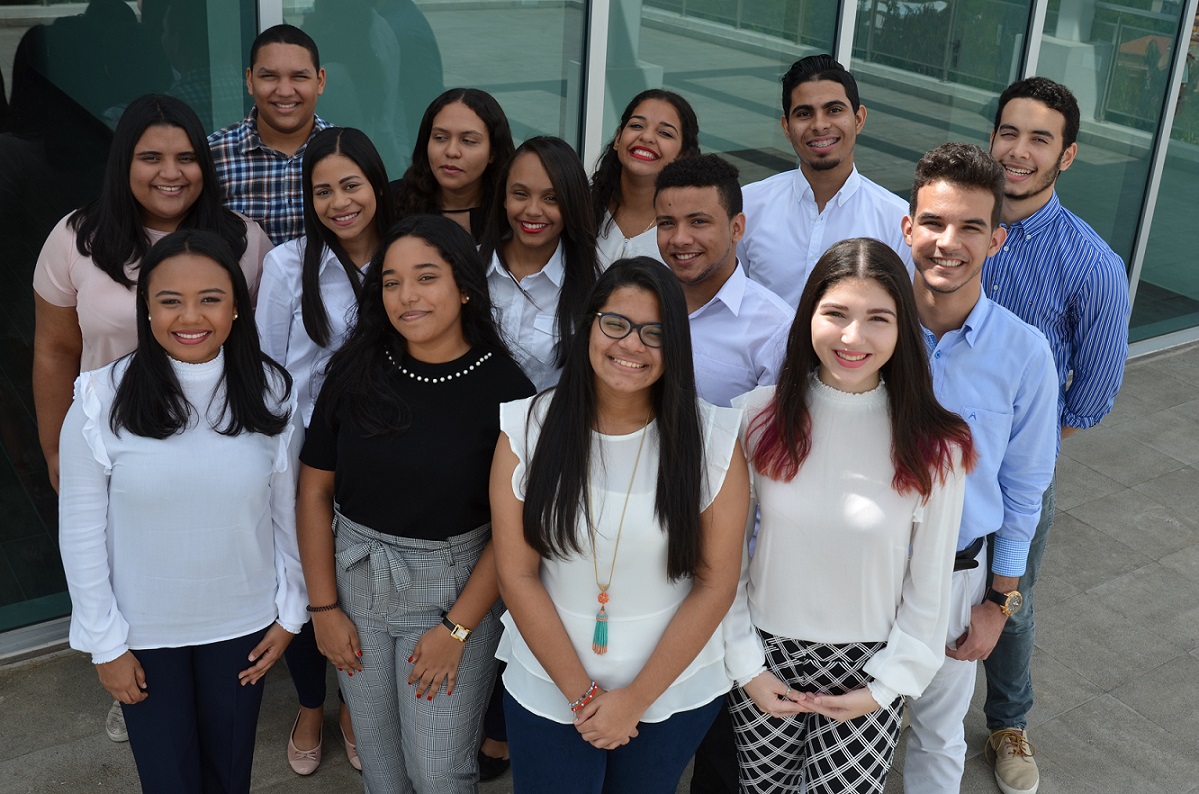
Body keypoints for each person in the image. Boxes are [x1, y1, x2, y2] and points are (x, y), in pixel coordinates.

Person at [57, 229, 305, 792]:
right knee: (170, 782)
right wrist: (106, 643)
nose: (190, 316)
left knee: (230, 776)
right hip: (143, 635)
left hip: (243, 629)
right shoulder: (99, 399)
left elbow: (286, 514)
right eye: (170, 300)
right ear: (145, 308)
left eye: (210, 298)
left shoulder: (271, 392)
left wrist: (291, 613)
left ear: (237, 307)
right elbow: (79, 531)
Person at [491, 257, 751, 793]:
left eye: (654, 333)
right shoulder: (526, 429)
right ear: (589, 324)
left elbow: (716, 582)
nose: (631, 345)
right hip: (549, 679)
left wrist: (632, 701)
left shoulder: (714, 441)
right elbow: (516, 575)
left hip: (670, 689)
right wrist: (585, 699)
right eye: (616, 324)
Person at [723, 238, 972, 793]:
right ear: (808, 315)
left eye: (878, 318)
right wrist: (746, 667)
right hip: (766, 654)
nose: (853, 337)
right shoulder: (754, 419)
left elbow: (929, 582)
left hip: (869, 666)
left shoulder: (939, 442)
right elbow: (726, 560)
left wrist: (886, 688)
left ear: (902, 328)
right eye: (835, 313)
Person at [295, 214, 535, 791]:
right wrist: (323, 612)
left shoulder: (506, 390)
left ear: (465, 287)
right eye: (391, 282)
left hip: (455, 591)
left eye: (426, 278)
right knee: (379, 759)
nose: (407, 297)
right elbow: (314, 489)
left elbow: (516, 532)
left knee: (439, 766)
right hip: (356, 583)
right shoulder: (356, 369)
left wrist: (457, 631)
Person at [980, 77, 1131, 794]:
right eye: (1009, 131)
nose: (1018, 150)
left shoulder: (1093, 266)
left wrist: (1024, 457)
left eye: (1039, 138)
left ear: (1065, 156)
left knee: (1009, 600)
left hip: (1014, 471)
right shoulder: (953, 224)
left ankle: (1007, 722)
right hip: (916, 453)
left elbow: (1091, 394)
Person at [899, 143, 1058, 794]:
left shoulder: (1024, 354)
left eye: (969, 227)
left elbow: (1023, 492)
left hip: (957, 580)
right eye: (933, 222)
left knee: (937, 738)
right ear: (906, 227)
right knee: (848, 725)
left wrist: (998, 602)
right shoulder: (863, 331)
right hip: (860, 568)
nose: (947, 242)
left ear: (995, 241)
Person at [34, 92, 271, 495]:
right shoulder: (75, 239)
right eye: (150, 158)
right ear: (123, 162)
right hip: (110, 449)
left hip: (224, 449)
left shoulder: (246, 241)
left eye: (186, 158)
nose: (170, 173)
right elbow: (55, 351)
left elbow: (262, 350)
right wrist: (56, 451)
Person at [256, 126, 395, 774]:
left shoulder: (407, 254)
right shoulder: (288, 265)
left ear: (375, 185)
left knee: (365, 588)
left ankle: (357, 709)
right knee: (307, 579)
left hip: (390, 448)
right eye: (322, 190)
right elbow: (266, 371)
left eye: (351, 185)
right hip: (309, 451)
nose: (339, 201)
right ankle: (312, 704)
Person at [736, 55, 912, 308]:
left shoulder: (896, 222)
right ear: (786, 127)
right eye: (804, 113)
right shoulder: (748, 206)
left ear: (859, 119)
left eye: (834, 110)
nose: (819, 125)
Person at [654, 153, 792, 408]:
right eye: (667, 223)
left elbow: (766, 439)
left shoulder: (775, 332)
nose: (680, 238)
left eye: (698, 222)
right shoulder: (640, 303)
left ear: (737, 228)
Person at [480, 136, 600, 392]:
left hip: (543, 428)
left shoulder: (593, 288)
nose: (533, 210)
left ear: (572, 204)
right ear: (503, 198)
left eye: (551, 198)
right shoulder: (466, 267)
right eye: (520, 194)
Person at [208, 24, 331, 245]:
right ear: (250, 80)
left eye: (299, 77)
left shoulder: (343, 151)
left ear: (320, 81)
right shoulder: (214, 155)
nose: (284, 91)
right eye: (269, 76)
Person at [591, 90, 700, 269]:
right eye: (636, 126)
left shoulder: (689, 233)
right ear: (618, 138)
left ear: (684, 155)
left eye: (665, 133)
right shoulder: (582, 206)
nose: (647, 137)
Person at [393, 87, 516, 241]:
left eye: (468, 141)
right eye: (440, 137)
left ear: (493, 152)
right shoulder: (393, 201)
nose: (451, 152)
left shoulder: (512, 210)